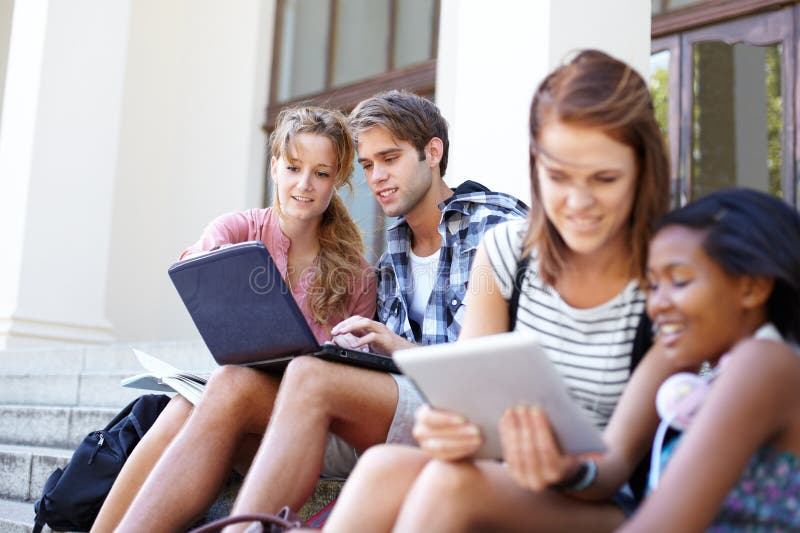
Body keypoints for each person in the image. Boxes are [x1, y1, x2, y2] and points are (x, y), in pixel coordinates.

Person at [105, 92, 527, 533]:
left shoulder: (494, 225)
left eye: (390, 159)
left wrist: (395, 347)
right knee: (222, 386)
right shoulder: (393, 255)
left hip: (459, 412)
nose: (378, 177)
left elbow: (494, 368)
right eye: (368, 165)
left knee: (306, 375)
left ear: (433, 152)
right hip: (380, 405)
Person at [319, 49, 671, 533]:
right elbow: (466, 396)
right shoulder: (506, 250)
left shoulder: (667, 279)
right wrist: (447, 427)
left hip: (607, 495)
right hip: (505, 471)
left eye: (605, 178)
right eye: (558, 176)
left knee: (451, 485)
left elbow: (615, 468)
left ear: (642, 169)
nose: (578, 201)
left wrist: (563, 468)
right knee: (382, 468)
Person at [92, 105, 376, 532]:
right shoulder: (240, 228)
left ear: (336, 180)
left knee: (201, 401)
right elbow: (195, 262)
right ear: (274, 167)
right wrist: (215, 264)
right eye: (293, 167)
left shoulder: (357, 274)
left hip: (307, 425)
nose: (304, 184)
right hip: (243, 409)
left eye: (321, 173)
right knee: (183, 406)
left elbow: (355, 371)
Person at [619, 188, 800, 531]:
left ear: (752, 287)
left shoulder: (762, 362)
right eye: (653, 285)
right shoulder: (741, 366)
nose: (656, 305)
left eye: (680, 281)